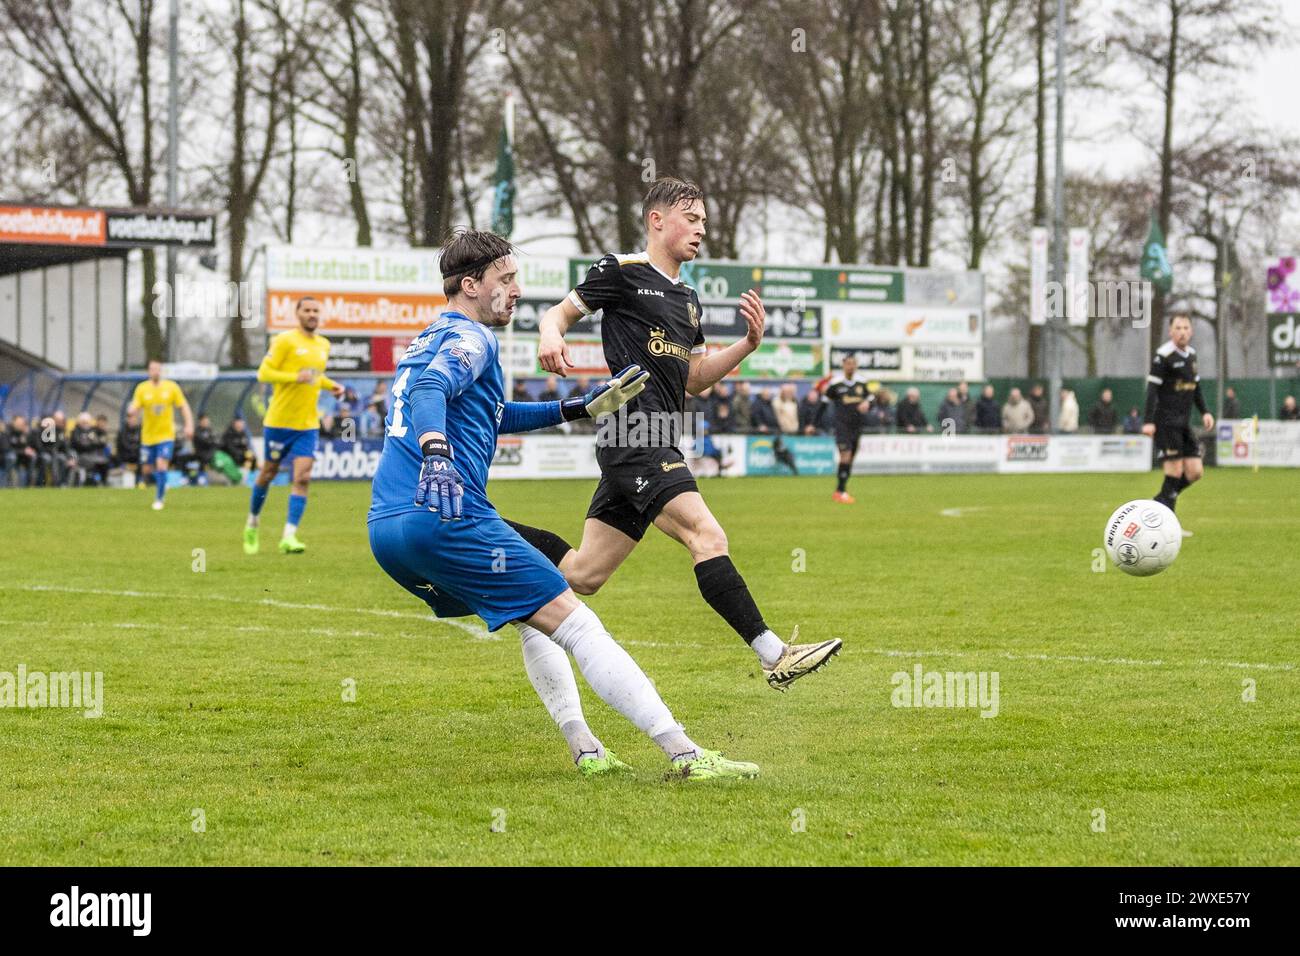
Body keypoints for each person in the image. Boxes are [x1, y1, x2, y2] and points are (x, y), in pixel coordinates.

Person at [368, 228, 758, 779]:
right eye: (506, 280)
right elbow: (433, 392)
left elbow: (493, 414)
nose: (517, 291)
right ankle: (686, 755)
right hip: (446, 514)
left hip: (387, 530)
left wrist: (580, 407)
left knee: (534, 615)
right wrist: (436, 450)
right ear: (471, 284)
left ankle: (587, 749)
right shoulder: (473, 339)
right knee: (580, 627)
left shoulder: (431, 336)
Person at [530, 177, 841, 689]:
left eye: (704, 222)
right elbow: (558, 314)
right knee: (707, 535)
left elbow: (694, 379)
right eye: (692, 219)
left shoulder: (688, 299)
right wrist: (550, 337)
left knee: (584, 574)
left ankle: (482, 536)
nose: (701, 230)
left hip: (655, 439)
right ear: (658, 220)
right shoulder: (621, 272)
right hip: (634, 434)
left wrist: (747, 345)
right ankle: (774, 654)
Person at [243, 296, 345, 554]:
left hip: (307, 424)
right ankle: (252, 522)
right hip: (279, 422)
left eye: (315, 310)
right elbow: (263, 374)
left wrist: (330, 385)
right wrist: (294, 377)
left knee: (303, 477)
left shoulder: (323, 344)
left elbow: (315, 377)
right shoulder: (284, 341)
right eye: (307, 310)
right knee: (268, 473)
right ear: (297, 314)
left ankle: (289, 536)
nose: (312, 314)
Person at [1143, 313, 1214, 517]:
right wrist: (1148, 421)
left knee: (1195, 471)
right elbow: (1152, 390)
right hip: (1165, 422)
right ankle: (1166, 520)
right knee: (1173, 472)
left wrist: (1205, 411)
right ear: (1170, 331)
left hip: (1183, 423)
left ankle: (1159, 501)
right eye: (1178, 328)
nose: (1182, 332)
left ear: (1191, 331)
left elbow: (1196, 387)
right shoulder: (1163, 356)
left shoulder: (1191, 355)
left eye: (1185, 328)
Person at [128, 360, 193, 509]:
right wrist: (132, 411)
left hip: (165, 436)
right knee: (146, 470)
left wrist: (189, 425)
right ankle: (163, 483)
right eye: (152, 369)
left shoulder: (171, 387)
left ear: (161, 371)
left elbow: (183, 407)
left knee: (161, 464)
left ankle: (159, 498)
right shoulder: (142, 389)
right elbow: (135, 407)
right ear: (148, 371)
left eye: (157, 369)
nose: (155, 372)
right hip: (148, 436)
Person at [816, 354, 872, 503]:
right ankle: (841, 492)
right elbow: (823, 404)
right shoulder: (836, 384)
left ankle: (840, 489)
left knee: (850, 459)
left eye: (853, 364)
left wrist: (867, 404)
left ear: (856, 365)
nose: (851, 366)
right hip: (841, 426)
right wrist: (813, 424)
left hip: (857, 426)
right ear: (843, 365)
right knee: (845, 456)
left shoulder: (862, 382)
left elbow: (871, 400)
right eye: (848, 364)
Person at [116, 409, 142, 483]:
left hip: (137, 455)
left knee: (143, 460)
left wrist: (135, 448)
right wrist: (133, 448)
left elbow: (141, 443)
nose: (132, 420)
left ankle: (140, 481)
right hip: (126, 455)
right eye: (130, 418)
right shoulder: (122, 431)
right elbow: (122, 444)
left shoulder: (140, 430)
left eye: (134, 418)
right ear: (127, 419)